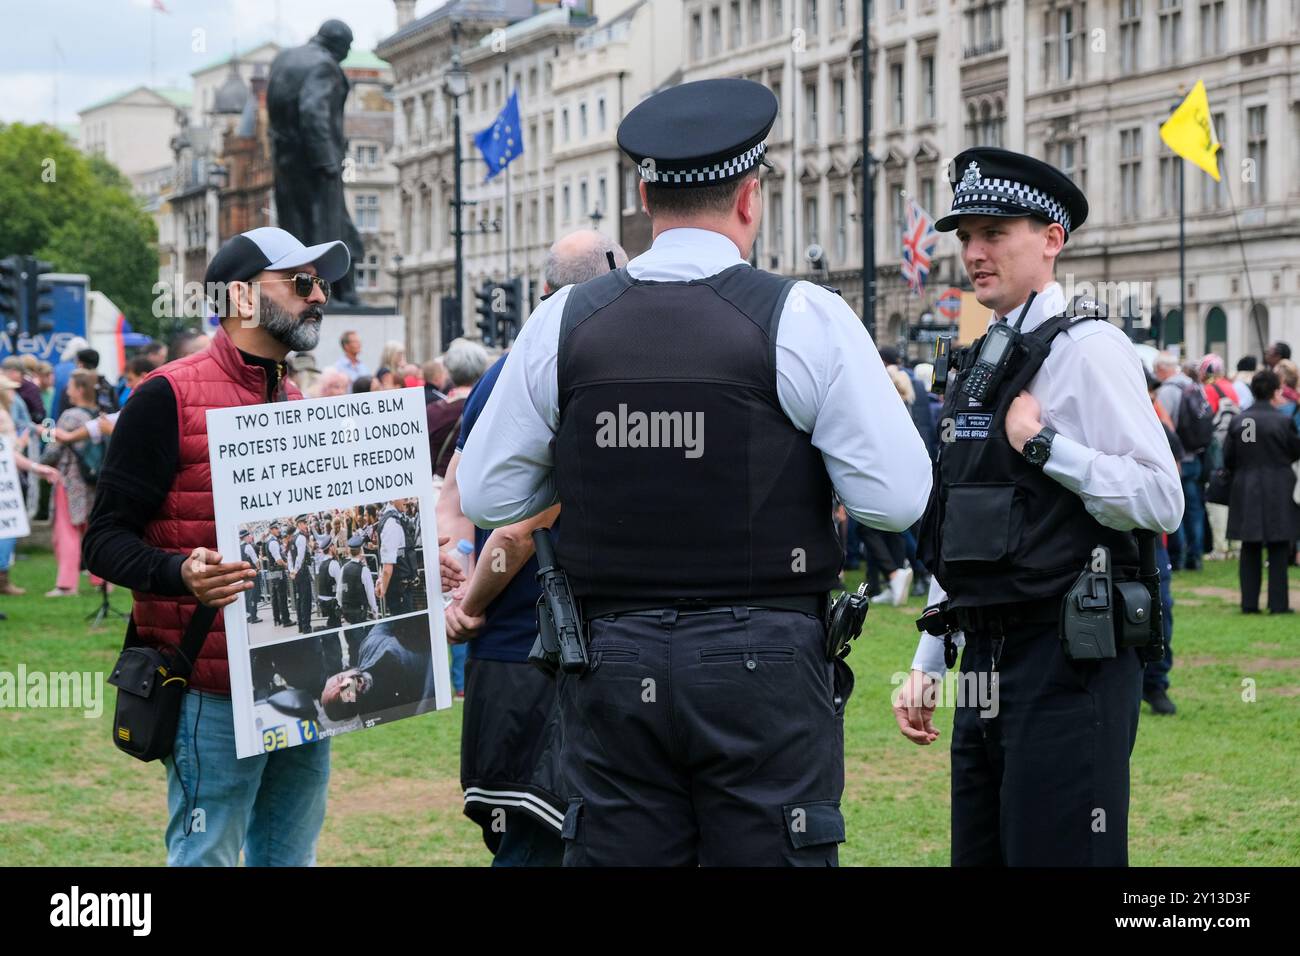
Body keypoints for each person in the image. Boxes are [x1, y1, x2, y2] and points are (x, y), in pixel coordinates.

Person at [459, 78, 932, 866]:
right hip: (765, 666)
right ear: (751, 197)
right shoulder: (802, 316)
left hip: (609, 657)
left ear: (643, 196)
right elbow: (895, 500)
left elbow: (489, 493)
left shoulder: (563, 321)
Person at [893, 147, 1183, 866]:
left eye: (995, 232)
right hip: (987, 657)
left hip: (1067, 659)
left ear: (1052, 239)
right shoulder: (981, 357)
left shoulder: (1090, 349)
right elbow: (964, 521)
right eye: (966, 237)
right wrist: (931, 656)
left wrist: (1049, 448)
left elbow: (1161, 497)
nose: (975, 251)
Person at [82, 224, 349, 866]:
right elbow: (102, 541)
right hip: (210, 688)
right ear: (243, 298)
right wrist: (180, 573)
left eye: (323, 285)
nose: (319, 298)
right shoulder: (164, 397)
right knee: (205, 855)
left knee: (289, 858)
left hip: (301, 682)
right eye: (303, 282)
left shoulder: (289, 395)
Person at [439, 229, 625, 865]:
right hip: (553, 645)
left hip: (526, 648)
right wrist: (470, 586)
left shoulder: (506, 373)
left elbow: (476, 510)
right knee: (546, 838)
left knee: (529, 839)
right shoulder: (612, 373)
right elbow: (515, 531)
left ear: (545, 296)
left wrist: (466, 593)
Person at [1226, 369, 1300, 614]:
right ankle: (1278, 604)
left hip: (1246, 484)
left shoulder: (1239, 420)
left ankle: (1249, 603)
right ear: (1274, 390)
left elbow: (1228, 457)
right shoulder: (1282, 420)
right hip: (1278, 485)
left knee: (1250, 546)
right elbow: (1294, 451)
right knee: (1279, 546)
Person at [43, 370, 104, 597]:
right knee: (94, 529)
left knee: (67, 530)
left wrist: (44, 438)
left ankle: (67, 584)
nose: (66, 390)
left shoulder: (69, 416)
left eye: (69, 386)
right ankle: (103, 580)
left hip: (71, 480)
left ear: (79, 389)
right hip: (96, 480)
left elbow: (52, 450)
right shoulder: (100, 414)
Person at [0, 380, 59, 603]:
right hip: (5, 480)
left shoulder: (7, 412)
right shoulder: (3, 414)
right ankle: (2, 577)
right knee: (7, 530)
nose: (15, 393)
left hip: (8, 478)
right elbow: (6, 451)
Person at [1155, 352, 1208, 570]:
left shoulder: (1167, 390)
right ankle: (1196, 555)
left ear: (1161, 369)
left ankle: (1177, 557)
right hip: (1195, 454)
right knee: (1195, 508)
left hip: (1177, 458)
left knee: (1175, 508)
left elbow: (1165, 426)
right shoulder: (1193, 385)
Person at [428, 339, 490, 480]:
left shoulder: (434, 411)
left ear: (449, 371)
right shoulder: (489, 407)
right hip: (478, 484)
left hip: (441, 486)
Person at [376, 498, 417, 615]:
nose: (408, 500)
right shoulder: (392, 523)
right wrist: (383, 588)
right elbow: (387, 567)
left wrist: (381, 580)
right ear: (393, 499)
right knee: (404, 628)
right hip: (399, 591)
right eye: (404, 497)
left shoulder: (393, 519)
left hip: (400, 587)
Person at [289, 514, 314, 633]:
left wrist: (291, 570)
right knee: (306, 600)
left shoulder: (293, 538)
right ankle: (306, 627)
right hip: (302, 572)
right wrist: (295, 569)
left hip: (296, 573)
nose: (306, 525)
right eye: (304, 523)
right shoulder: (301, 538)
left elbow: (289, 557)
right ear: (299, 524)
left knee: (299, 600)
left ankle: (300, 625)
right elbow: (300, 557)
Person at [266, 522, 292, 626]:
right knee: (281, 596)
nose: (278, 530)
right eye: (276, 528)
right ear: (271, 529)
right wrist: (287, 566)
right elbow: (278, 560)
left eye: (278, 528)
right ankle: (285, 620)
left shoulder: (271, 541)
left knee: (275, 596)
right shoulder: (273, 542)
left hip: (273, 571)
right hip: (278, 571)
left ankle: (277, 619)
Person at [240, 529, 264, 624]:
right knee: (253, 595)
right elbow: (256, 560)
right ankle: (254, 616)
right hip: (251, 573)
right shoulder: (248, 546)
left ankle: (249, 615)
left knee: (247, 596)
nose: (250, 537)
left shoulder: (239, 547)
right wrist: (258, 569)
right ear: (246, 537)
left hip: (243, 575)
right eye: (249, 536)